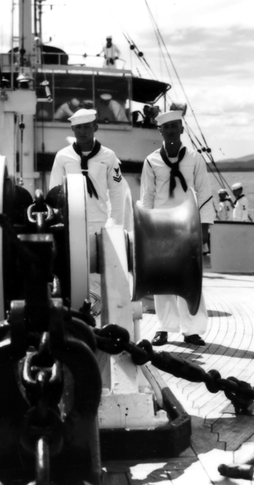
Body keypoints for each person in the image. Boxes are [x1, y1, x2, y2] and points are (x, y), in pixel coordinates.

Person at [140, 109, 214, 347]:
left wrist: (204, 227)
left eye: (174, 126)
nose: (171, 131)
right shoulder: (151, 161)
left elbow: (204, 194)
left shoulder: (195, 158)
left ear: (181, 129)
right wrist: (146, 227)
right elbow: (147, 196)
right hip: (160, 225)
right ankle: (164, 327)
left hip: (188, 225)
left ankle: (191, 330)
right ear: (160, 131)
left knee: (190, 278)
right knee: (162, 278)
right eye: (166, 127)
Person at [50, 108, 127, 306]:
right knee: (72, 271)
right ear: (72, 129)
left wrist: (116, 224)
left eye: (86, 127)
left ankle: (97, 318)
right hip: (71, 223)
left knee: (97, 274)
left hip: (98, 223)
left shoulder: (109, 156)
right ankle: (75, 314)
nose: (82, 131)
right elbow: (54, 192)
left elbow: (117, 192)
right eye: (78, 128)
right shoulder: (63, 156)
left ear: (95, 127)